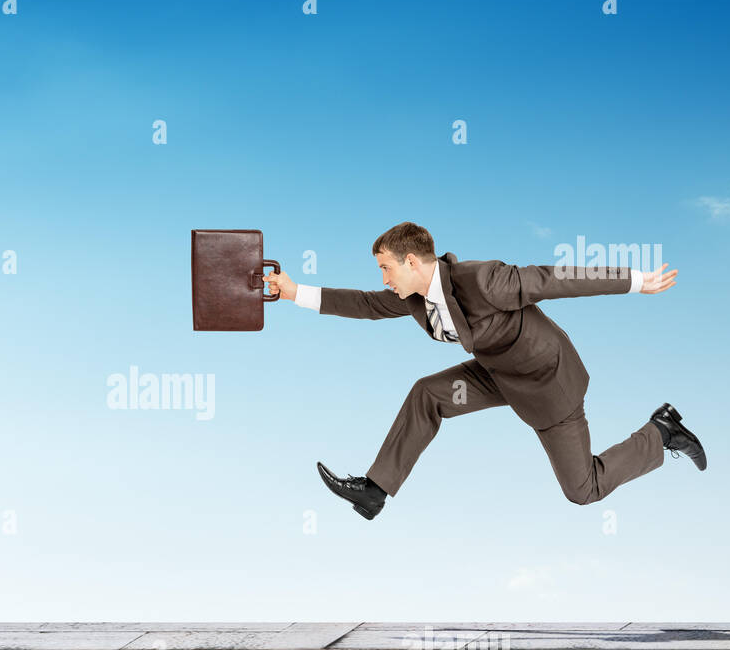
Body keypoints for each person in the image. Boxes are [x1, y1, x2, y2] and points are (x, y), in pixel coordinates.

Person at [268, 221, 706, 520]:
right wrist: (293, 293)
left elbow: (555, 279)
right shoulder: (413, 297)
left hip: (546, 381)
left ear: (412, 263)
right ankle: (374, 491)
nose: (383, 279)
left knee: (582, 489)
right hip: (496, 372)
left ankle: (662, 432)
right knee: (429, 393)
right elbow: (364, 304)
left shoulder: (484, 280)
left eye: (385, 268)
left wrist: (634, 280)